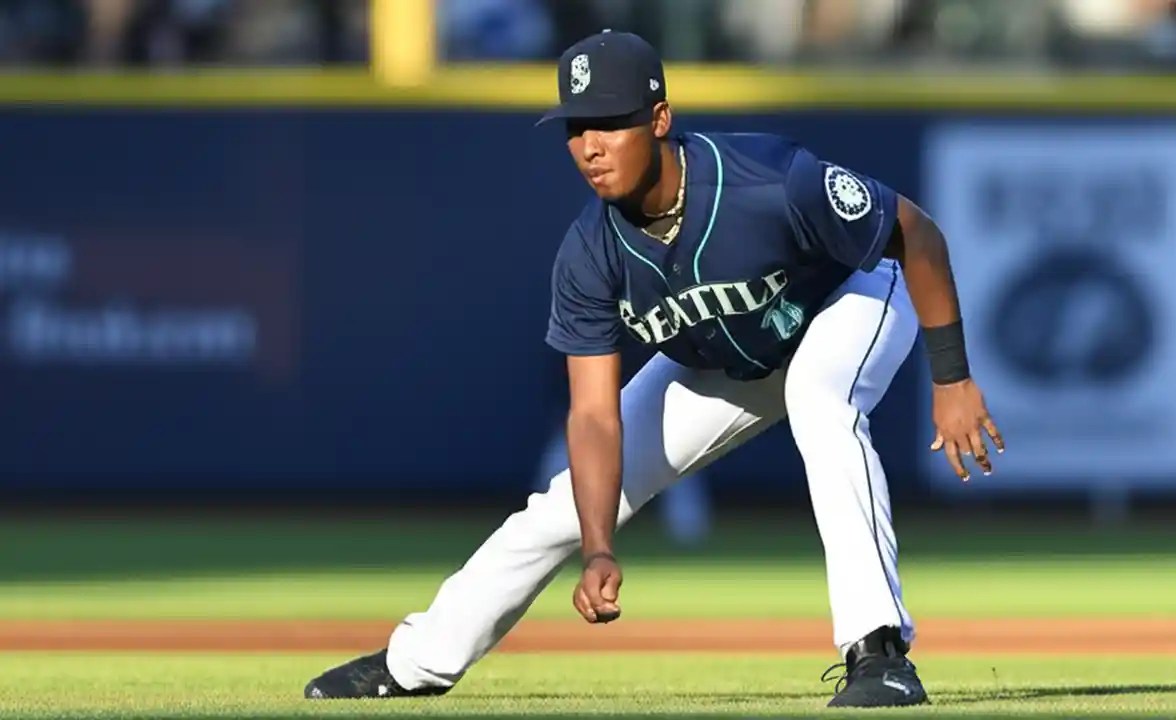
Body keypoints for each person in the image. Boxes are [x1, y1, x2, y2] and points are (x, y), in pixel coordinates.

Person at [304, 30, 1003, 709]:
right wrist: (598, 547)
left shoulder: (768, 180)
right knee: (564, 505)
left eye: (610, 123)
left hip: (849, 295)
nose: (590, 146)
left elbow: (916, 233)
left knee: (821, 403)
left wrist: (951, 377)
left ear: (660, 118)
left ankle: (880, 654)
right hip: (734, 354)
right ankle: (415, 662)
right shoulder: (590, 254)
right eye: (576, 128)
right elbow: (593, 415)